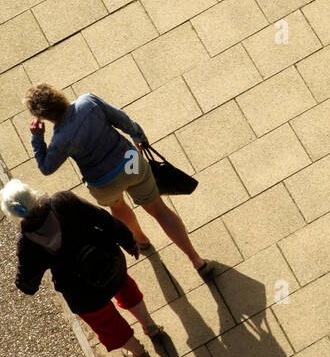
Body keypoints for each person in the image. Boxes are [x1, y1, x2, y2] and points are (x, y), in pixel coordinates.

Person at [23, 84, 213, 279]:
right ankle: (196, 261)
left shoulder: (59, 139)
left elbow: (46, 168)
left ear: (43, 116)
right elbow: (121, 119)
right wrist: (138, 135)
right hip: (130, 163)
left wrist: (37, 138)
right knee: (158, 209)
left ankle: (140, 239)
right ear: (57, 94)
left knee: (119, 207)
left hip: (102, 182)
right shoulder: (88, 102)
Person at [1, 179, 161, 357]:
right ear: (31, 193)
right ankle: (151, 327)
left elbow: (27, 285)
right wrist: (128, 241)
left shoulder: (26, 244)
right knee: (126, 289)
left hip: (83, 294)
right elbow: (102, 218)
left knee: (108, 323)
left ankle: (140, 355)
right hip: (108, 262)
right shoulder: (63, 201)